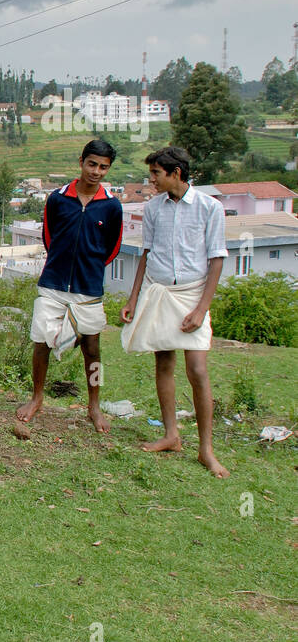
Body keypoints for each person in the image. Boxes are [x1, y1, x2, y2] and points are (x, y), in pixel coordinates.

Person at [121, 146, 229, 478]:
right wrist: (132, 299)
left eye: (156, 173)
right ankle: (171, 435)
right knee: (163, 361)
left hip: (193, 293)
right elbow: (146, 254)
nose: (151, 180)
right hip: (162, 291)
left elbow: (217, 259)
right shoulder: (153, 209)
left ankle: (206, 449)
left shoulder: (210, 208)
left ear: (175, 173)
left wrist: (201, 309)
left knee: (197, 369)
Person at [16, 141, 122, 432]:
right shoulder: (58, 199)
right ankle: (37, 397)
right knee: (42, 340)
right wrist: (62, 265)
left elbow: (112, 248)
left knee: (92, 348)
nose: (96, 171)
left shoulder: (112, 206)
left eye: (103, 167)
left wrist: (92, 268)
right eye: (92, 164)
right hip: (53, 282)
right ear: (81, 162)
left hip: (89, 287)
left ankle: (94, 405)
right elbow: (49, 237)